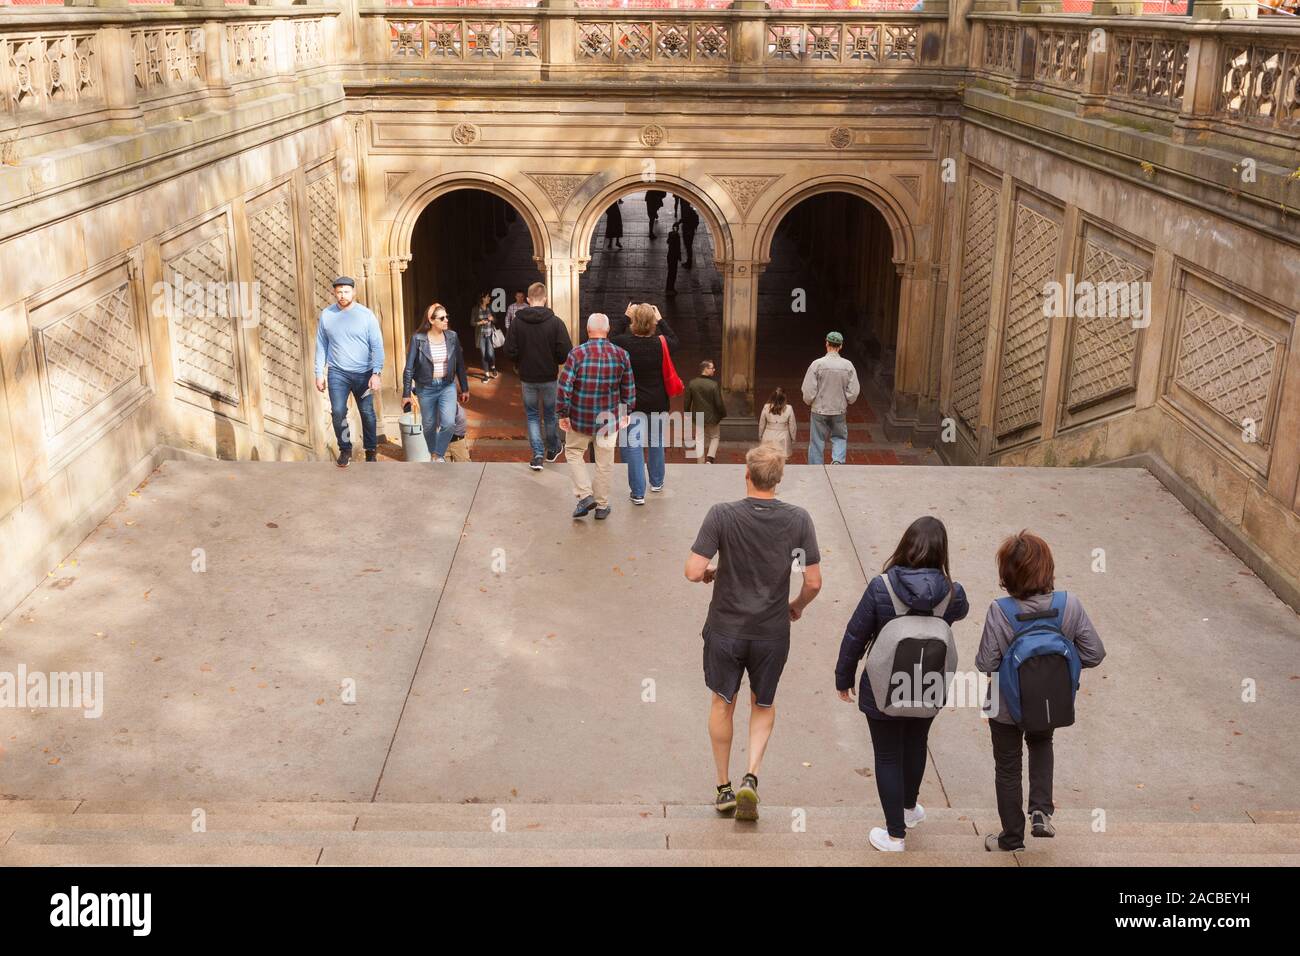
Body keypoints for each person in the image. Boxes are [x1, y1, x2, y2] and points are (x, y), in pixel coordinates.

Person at [685, 444, 821, 821]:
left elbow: (693, 570)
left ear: (746, 476)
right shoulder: (798, 520)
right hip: (771, 631)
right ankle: (752, 776)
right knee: (762, 704)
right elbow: (813, 581)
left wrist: (714, 571)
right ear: (778, 480)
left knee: (721, 703)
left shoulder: (722, 515)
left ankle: (723, 787)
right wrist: (797, 605)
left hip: (726, 628)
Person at [834, 517, 970, 852]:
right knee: (916, 742)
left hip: (883, 684)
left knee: (887, 754)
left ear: (905, 545)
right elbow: (962, 611)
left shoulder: (882, 587)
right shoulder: (952, 592)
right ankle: (909, 810)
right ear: (941, 551)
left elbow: (856, 635)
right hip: (926, 681)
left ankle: (895, 835)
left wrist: (844, 677)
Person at [976, 530, 1105, 852]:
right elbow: (1094, 653)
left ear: (1006, 572)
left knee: (1007, 767)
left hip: (1004, 705)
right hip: (1048, 701)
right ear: (1047, 567)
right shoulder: (1069, 604)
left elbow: (986, 662)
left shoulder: (1000, 610)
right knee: (1042, 742)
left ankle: (1011, 839)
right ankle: (1040, 811)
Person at [556, 313, 635, 520]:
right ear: (607, 330)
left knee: (573, 452)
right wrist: (626, 411)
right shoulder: (621, 355)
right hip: (608, 419)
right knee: (604, 462)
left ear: (588, 330)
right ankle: (601, 505)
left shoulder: (576, 354)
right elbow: (628, 388)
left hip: (580, 417)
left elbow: (564, 387)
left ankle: (585, 494)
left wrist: (563, 413)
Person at [314, 276, 384, 468]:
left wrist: (376, 373)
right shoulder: (327, 315)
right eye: (338, 292)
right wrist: (319, 373)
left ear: (354, 292)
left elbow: (377, 345)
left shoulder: (366, 315)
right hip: (338, 373)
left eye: (346, 291)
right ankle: (345, 449)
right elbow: (321, 345)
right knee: (337, 412)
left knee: (367, 412)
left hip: (364, 372)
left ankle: (371, 450)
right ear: (334, 293)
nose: (342, 295)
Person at [612, 303, 679, 503]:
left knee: (633, 446)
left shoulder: (624, 343)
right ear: (652, 323)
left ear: (633, 322)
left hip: (632, 403)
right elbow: (676, 340)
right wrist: (661, 320)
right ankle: (657, 482)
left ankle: (638, 492)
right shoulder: (662, 343)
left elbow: (610, 337)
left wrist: (625, 316)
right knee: (656, 442)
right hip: (658, 401)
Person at [504, 282, 573, 471]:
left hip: (527, 377)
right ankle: (552, 448)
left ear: (528, 299)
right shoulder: (556, 322)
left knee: (532, 416)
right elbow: (566, 350)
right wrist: (555, 361)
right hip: (549, 376)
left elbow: (509, 350)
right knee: (550, 415)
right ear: (545, 299)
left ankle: (537, 454)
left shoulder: (517, 322)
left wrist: (519, 361)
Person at [401, 302, 470, 463]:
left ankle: (437, 454)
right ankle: (437, 454)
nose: (446, 319)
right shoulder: (418, 339)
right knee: (429, 424)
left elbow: (459, 363)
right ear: (431, 320)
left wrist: (464, 388)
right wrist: (406, 394)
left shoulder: (452, 337)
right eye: (442, 317)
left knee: (449, 422)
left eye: (447, 317)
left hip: (447, 384)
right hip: (426, 386)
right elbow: (409, 368)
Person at [800, 331, 860, 464]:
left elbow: (808, 389)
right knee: (839, 437)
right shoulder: (848, 365)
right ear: (841, 346)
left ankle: (816, 467)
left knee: (816, 441)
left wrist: (809, 401)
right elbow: (854, 391)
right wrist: (848, 400)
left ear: (826, 343)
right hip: (839, 409)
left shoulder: (817, 364)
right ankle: (838, 461)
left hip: (819, 410)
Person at [684, 359, 727, 463]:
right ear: (706, 369)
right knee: (715, 437)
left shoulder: (692, 383)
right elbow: (719, 403)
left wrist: (687, 413)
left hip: (698, 415)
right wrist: (722, 414)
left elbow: (687, 401)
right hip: (712, 416)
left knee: (699, 438)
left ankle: (700, 460)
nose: (714, 370)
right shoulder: (714, 385)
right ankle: (710, 459)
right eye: (712, 368)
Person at [758, 387, 797, 461]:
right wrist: (793, 437)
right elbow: (792, 425)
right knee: (781, 460)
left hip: (768, 435)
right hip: (783, 438)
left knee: (768, 460)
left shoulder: (766, 407)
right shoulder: (789, 408)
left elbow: (762, 423)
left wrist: (760, 435)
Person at [470, 292, 497, 381]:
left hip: (490, 334)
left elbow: (496, 320)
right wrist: (480, 322)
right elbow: (472, 323)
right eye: (487, 297)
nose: (489, 298)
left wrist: (492, 319)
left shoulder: (490, 308)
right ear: (482, 298)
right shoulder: (475, 309)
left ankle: (493, 367)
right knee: (483, 354)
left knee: (490, 353)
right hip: (481, 335)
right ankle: (486, 374)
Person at [680, 202, 700, 269]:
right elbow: (684, 219)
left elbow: (687, 220)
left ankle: (689, 263)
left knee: (688, 247)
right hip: (688, 231)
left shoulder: (689, 212)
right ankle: (688, 262)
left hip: (688, 232)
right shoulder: (689, 211)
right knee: (688, 247)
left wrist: (690, 230)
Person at [665, 223, 682, 294]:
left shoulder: (670, 234)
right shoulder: (677, 236)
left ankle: (669, 287)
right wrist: (679, 256)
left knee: (670, 273)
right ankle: (670, 288)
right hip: (674, 257)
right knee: (673, 273)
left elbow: (667, 241)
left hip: (669, 256)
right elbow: (677, 248)